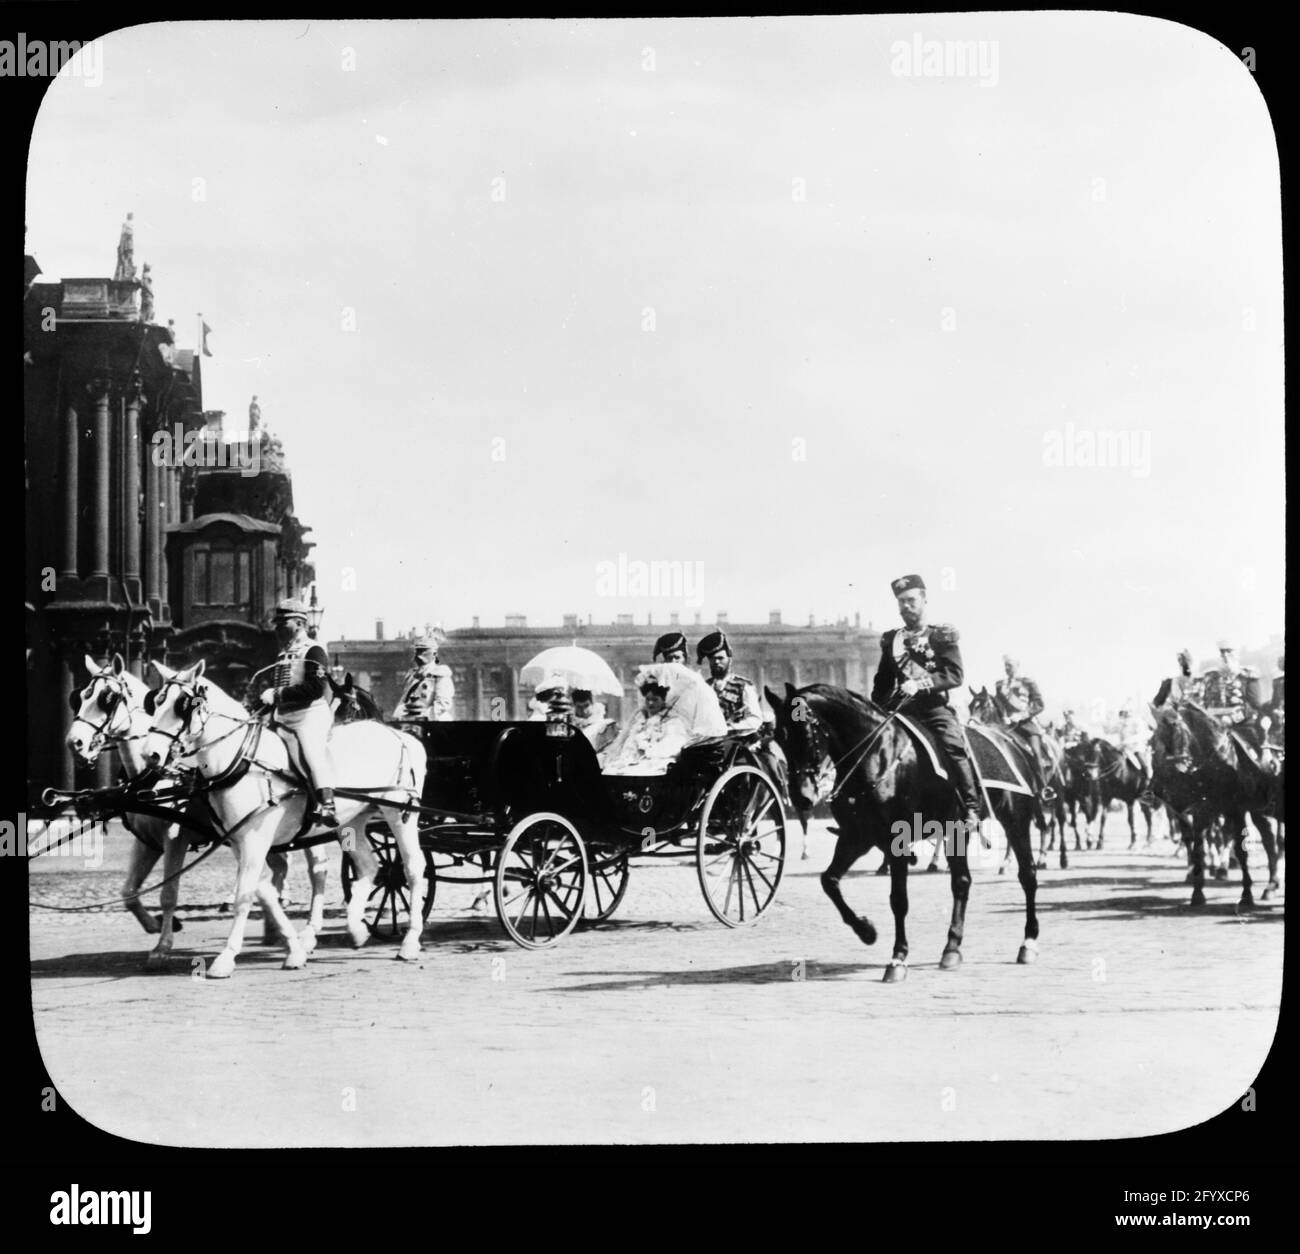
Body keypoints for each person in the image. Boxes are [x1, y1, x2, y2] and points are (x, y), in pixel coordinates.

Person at [871, 573, 983, 834]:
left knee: (953, 745)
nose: (905, 607)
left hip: (933, 708)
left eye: (910, 600)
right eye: (901, 602)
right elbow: (882, 683)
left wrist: (921, 684)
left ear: (924, 600)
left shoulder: (941, 635)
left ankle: (970, 807)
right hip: (902, 709)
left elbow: (955, 675)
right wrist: (875, 709)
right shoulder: (891, 640)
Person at [258, 598, 337, 827]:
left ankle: (327, 804)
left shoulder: (313, 649)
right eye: (278, 623)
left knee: (312, 751)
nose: (279, 628)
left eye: (284, 622)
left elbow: (315, 688)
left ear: (300, 623)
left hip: (309, 716)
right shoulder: (283, 653)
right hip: (283, 716)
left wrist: (278, 694)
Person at [600, 676, 690, 775]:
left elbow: (672, 746)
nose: (650, 703)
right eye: (648, 699)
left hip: (657, 760)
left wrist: (648, 748)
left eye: (655, 699)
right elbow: (629, 744)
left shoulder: (672, 721)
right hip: (636, 760)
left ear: (663, 700)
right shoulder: (640, 719)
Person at [995, 654, 1054, 797]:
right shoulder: (1000, 685)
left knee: (1035, 752)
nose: (1007, 668)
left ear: (1017, 665)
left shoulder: (1028, 682)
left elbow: (1039, 704)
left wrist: (1021, 715)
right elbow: (998, 705)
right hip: (1007, 726)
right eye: (1006, 665)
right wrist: (1004, 716)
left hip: (1027, 725)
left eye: (1010, 665)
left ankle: (1043, 788)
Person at [697, 630, 770, 734]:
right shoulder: (703, 687)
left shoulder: (743, 686)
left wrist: (729, 729)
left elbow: (754, 719)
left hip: (737, 740)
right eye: (713, 659)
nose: (717, 662)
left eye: (720, 658)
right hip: (708, 739)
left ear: (729, 660)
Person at [393, 634, 454, 721]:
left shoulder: (440, 673)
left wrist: (424, 715)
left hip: (434, 720)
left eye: (423, 651)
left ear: (434, 653)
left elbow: (443, 703)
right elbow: (404, 700)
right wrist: (398, 716)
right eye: (417, 651)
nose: (418, 655)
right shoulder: (413, 675)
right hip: (411, 719)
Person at [571, 688, 617, 752]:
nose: (584, 711)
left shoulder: (604, 725)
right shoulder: (570, 725)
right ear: (574, 706)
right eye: (579, 707)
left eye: (586, 705)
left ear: (592, 704)